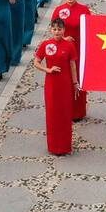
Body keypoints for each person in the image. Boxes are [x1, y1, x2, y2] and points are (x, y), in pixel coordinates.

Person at [34, 18, 77, 155]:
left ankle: (64, 146)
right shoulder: (46, 45)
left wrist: (75, 83)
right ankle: (53, 146)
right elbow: (36, 62)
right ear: (51, 30)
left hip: (65, 83)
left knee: (65, 114)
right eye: (54, 29)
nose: (57, 31)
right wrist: (48, 70)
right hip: (52, 84)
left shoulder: (69, 45)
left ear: (64, 30)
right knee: (52, 114)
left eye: (59, 29)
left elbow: (72, 65)